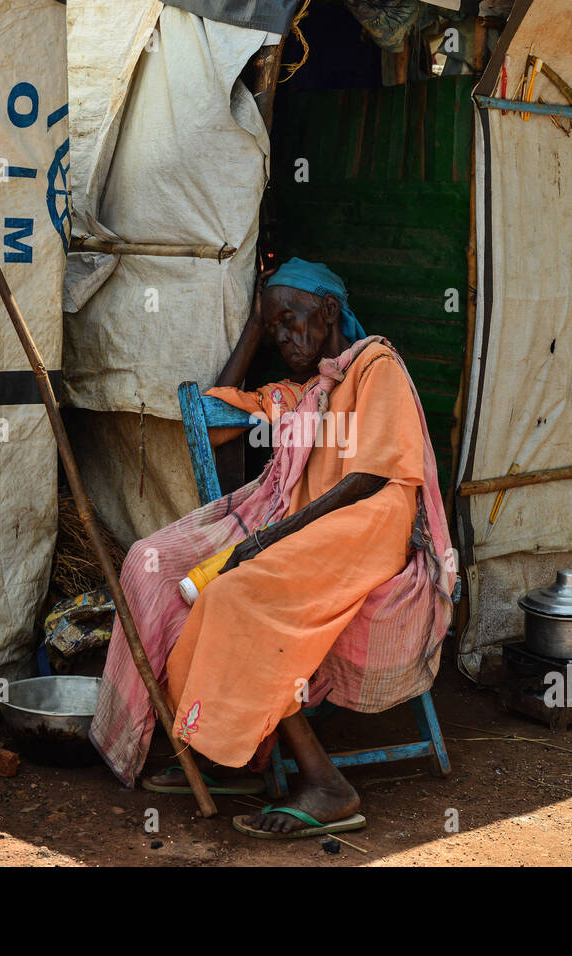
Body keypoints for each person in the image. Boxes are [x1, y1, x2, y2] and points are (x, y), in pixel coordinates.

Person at [89, 258, 455, 838]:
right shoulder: (300, 394)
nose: (285, 335)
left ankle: (326, 784)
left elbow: (370, 476)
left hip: (368, 525)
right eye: (275, 327)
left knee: (233, 597)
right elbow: (213, 425)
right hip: (316, 533)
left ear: (330, 311)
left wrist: (265, 539)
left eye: (292, 319)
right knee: (166, 575)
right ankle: (221, 752)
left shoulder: (374, 364)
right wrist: (257, 326)